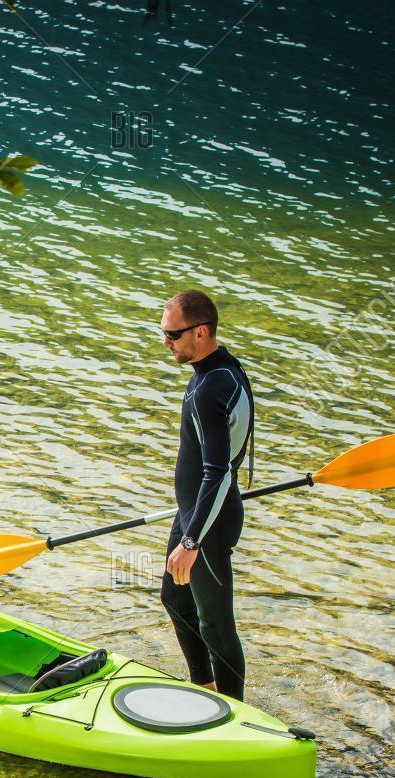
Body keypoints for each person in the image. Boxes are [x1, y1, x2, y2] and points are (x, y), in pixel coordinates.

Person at [157, 290, 254, 700]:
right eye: (163, 333)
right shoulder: (222, 370)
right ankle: (204, 687)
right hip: (195, 510)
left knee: (215, 623)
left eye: (173, 335)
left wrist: (192, 541)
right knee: (175, 600)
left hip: (208, 521)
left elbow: (218, 472)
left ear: (201, 332)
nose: (166, 343)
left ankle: (236, 713)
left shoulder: (210, 389)